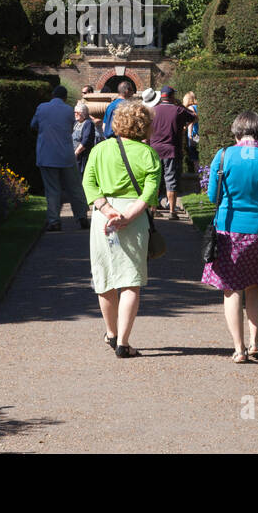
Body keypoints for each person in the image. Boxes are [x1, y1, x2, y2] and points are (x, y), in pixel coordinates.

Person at [203, 110, 258, 363]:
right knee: (254, 286)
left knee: (231, 289)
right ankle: (255, 342)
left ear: (237, 131)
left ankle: (238, 349)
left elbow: (211, 196)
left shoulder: (224, 155)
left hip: (229, 228)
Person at [83, 100, 162, 358]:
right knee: (130, 281)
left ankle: (112, 333)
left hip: (102, 218)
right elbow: (150, 192)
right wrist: (127, 216)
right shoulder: (148, 154)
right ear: (144, 126)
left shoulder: (100, 149)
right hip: (133, 218)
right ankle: (123, 343)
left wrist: (107, 210)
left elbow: (89, 182)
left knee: (104, 278)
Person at [31, 86, 91, 232]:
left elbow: (33, 125)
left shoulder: (42, 108)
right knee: (75, 187)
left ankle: (54, 221)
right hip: (66, 154)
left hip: (47, 154)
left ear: (52, 95)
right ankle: (82, 217)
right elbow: (71, 127)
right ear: (65, 98)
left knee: (52, 190)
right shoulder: (69, 111)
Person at [150, 86, 195, 221]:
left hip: (154, 150)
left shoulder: (153, 110)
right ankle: (172, 211)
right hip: (171, 150)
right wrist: (183, 124)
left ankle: (153, 209)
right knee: (171, 180)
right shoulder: (178, 110)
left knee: (154, 180)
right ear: (172, 96)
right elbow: (194, 117)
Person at [73, 99, 97, 173]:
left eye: (77, 113)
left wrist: (76, 153)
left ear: (83, 113)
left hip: (82, 157)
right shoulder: (77, 123)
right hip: (75, 157)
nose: (75, 114)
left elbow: (85, 141)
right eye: (75, 112)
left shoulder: (88, 124)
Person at [183, 91, 201, 176]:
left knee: (194, 157)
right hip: (198, 133)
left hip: (193, 134)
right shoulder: (197, 107)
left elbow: (191, 121)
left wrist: (189, 134)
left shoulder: (190, 108)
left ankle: (197, 174)